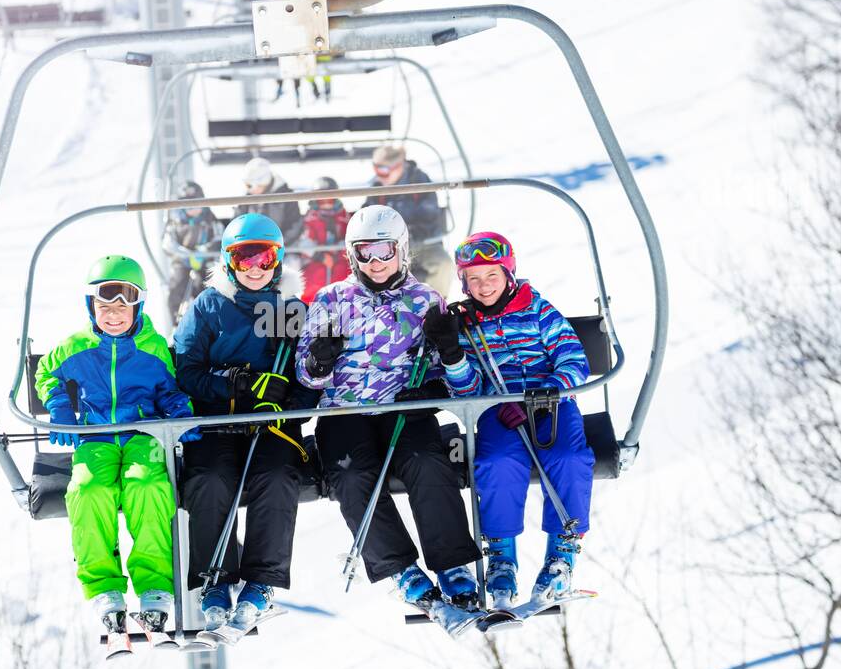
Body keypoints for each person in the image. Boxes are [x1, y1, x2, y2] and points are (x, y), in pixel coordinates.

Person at [295, 205, 482, 623]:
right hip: (345, 411)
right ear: (351, 256)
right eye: (365, 254)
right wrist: (320, 364)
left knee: (427, 461)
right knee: (348, 473)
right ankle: (400, 568)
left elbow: (453, 378)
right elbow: (305, 379)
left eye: (384, 252)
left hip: (404, 406)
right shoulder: (332, 299)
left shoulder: (424, 300)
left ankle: (452, 564)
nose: (376, 263)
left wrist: (436, 376)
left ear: (402, 250)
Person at [423, 232, 594, 609]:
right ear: (464, 282)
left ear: (508, 274)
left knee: (568, 458)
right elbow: (466, 390)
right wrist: (452, 356)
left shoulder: (536, 309)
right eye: (474, 279)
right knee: (495, 462)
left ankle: (562, 553)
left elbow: (572, 357)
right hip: (500, 409)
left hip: (551, 404)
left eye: (492, 277)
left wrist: (551, 388)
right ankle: (502, 556)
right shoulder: (464, 324)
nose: (483, 287)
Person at [33, 255, 197, 650]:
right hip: (96, 439)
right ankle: (105, 589)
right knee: (88, 492)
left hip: (144, 435)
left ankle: (155, 587)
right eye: (103, 307)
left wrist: (179, 413)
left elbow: (168, 389)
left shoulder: (153, 348)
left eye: (122, 306)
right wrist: (58, 406)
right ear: (91, 307)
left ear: (137, 306)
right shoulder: (77, 347)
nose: (112, 315)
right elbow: (46, 374)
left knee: (147, 486)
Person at [173, 215, 317, 634]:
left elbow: (309, 376)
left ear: (278, 260)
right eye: (243, 257)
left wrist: (292, 399)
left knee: (276, 475)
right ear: (228, 261)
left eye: (265, 257)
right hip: (219, 422)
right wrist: (235, 384)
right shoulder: (209, 306)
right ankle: (214, 580)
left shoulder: (292, 311)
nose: (255, 268)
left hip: (272, 425)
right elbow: (187, 371)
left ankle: (261, 581)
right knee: (211, 477)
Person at [367, 144, 453, 293]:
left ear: (398, 166)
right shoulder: (377, 186)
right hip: (389, 245)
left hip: (421, 242)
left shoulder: (418, 179)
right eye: (376, 170)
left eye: (384, 171)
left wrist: (410, 230)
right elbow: (369, 215)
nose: (380, 176)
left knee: (443, 264)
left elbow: (429, 211)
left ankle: (437, 304)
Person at [164, 181, 223, 320]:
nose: (195, 210)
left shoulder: (209, 219)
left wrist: (205, 251)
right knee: (177, 285)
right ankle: (176, 319)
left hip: (206, 260)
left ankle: (210, 317)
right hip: (183, 261)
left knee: (208, 284)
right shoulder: (176, 222)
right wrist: (186, 255)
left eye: (198, 205)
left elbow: (219, 237)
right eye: (189, 206)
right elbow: (168, 243)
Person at [297, 176, 349, 303]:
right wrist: (320, 256)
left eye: (330, 198)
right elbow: (304, 241)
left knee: (343, 280)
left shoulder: (344, 216)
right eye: (322, 199)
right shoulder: (310, 218)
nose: (326, 203)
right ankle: (309, 309)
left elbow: (349, 238)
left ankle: (344, 310)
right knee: (314, 280)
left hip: (340, 259)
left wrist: (337, 254)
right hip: (315, 260)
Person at [235, 157, 304, 245]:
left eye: (249, 185)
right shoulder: (248, 197)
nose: (248, 189)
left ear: (262, 183)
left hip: (280, 249)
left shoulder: (286, 197)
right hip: (251, 248)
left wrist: (277, 246)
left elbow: (294, 226)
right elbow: (238, 223)